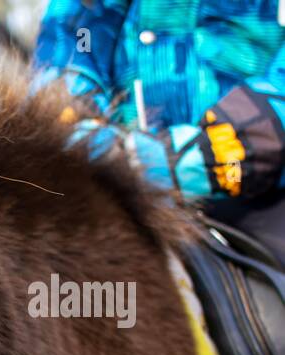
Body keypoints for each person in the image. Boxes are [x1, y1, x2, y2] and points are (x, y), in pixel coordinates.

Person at [33, 0, 285, 260]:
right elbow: (77, 35)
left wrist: (187, 160)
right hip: (114, 182)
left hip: (257, 196)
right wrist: (78, 126)